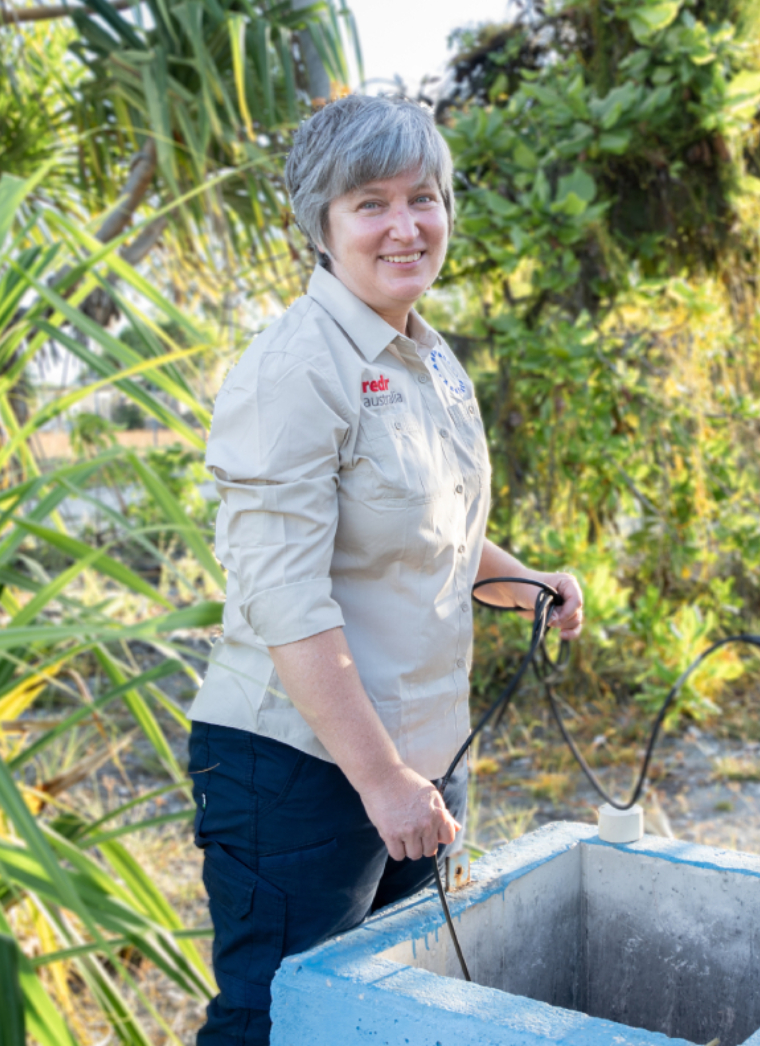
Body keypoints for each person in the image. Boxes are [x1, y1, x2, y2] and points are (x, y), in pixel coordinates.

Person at [187, 95, 584, 1046]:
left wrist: (525, 580)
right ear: (320, 224)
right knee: (275, 1021)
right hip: (303, 769)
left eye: (425, 197)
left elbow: (428, 533)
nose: (406, 226)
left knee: (394, 1013)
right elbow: (286, 599)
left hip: (421, 762)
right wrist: (382, 782)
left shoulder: (430, 358)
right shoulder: (295, 368)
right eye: (371, 203)